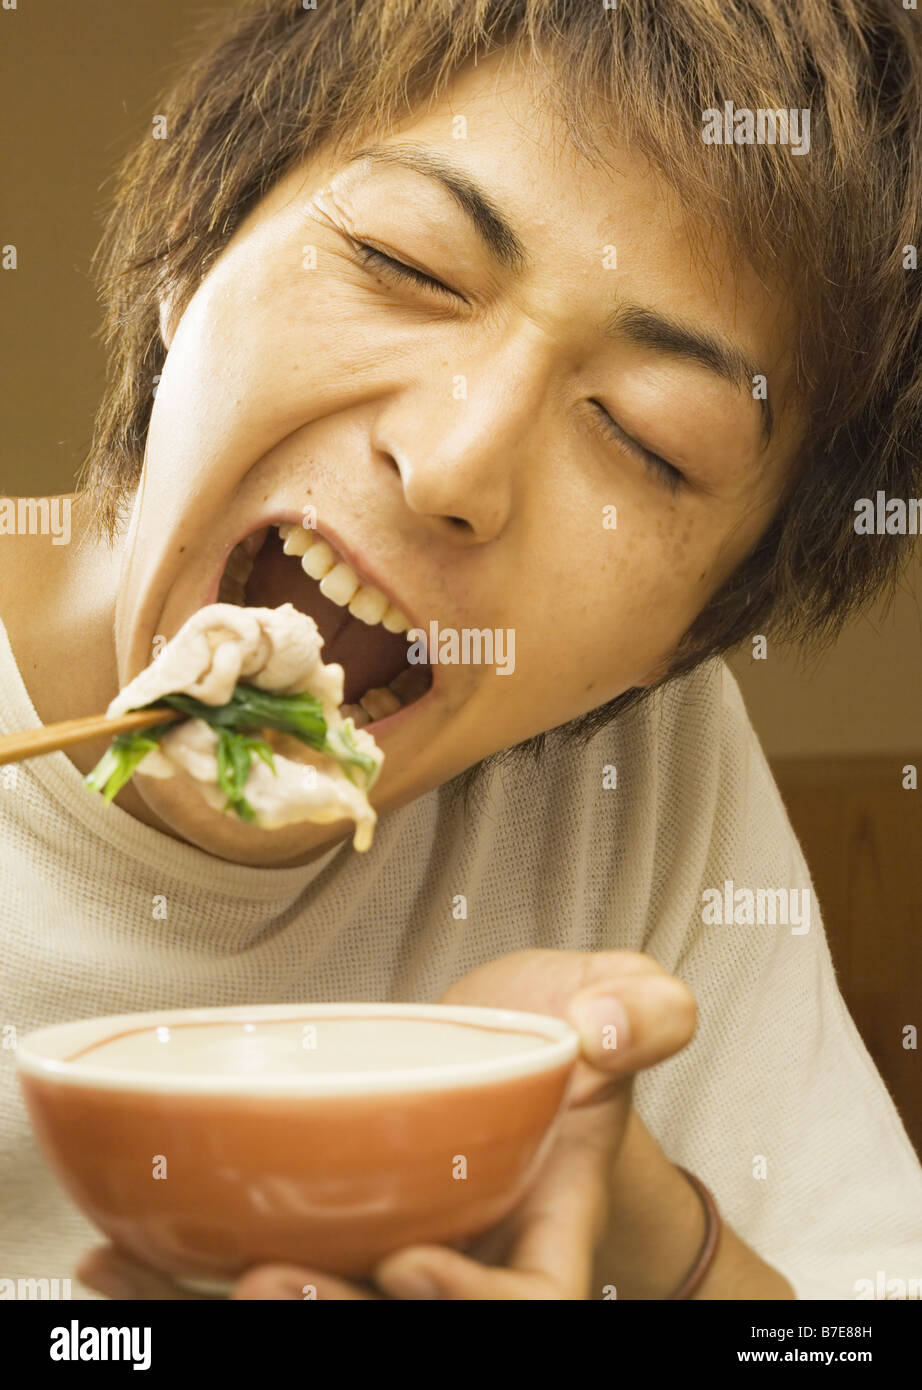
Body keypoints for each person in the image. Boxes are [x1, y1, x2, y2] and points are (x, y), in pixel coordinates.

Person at [1, 0, 920, 1301]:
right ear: (186, 257)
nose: (453, 462)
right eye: (404, 262)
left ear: (685, 637)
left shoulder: (639, 764)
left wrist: (646, 1239)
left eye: (647, 437)